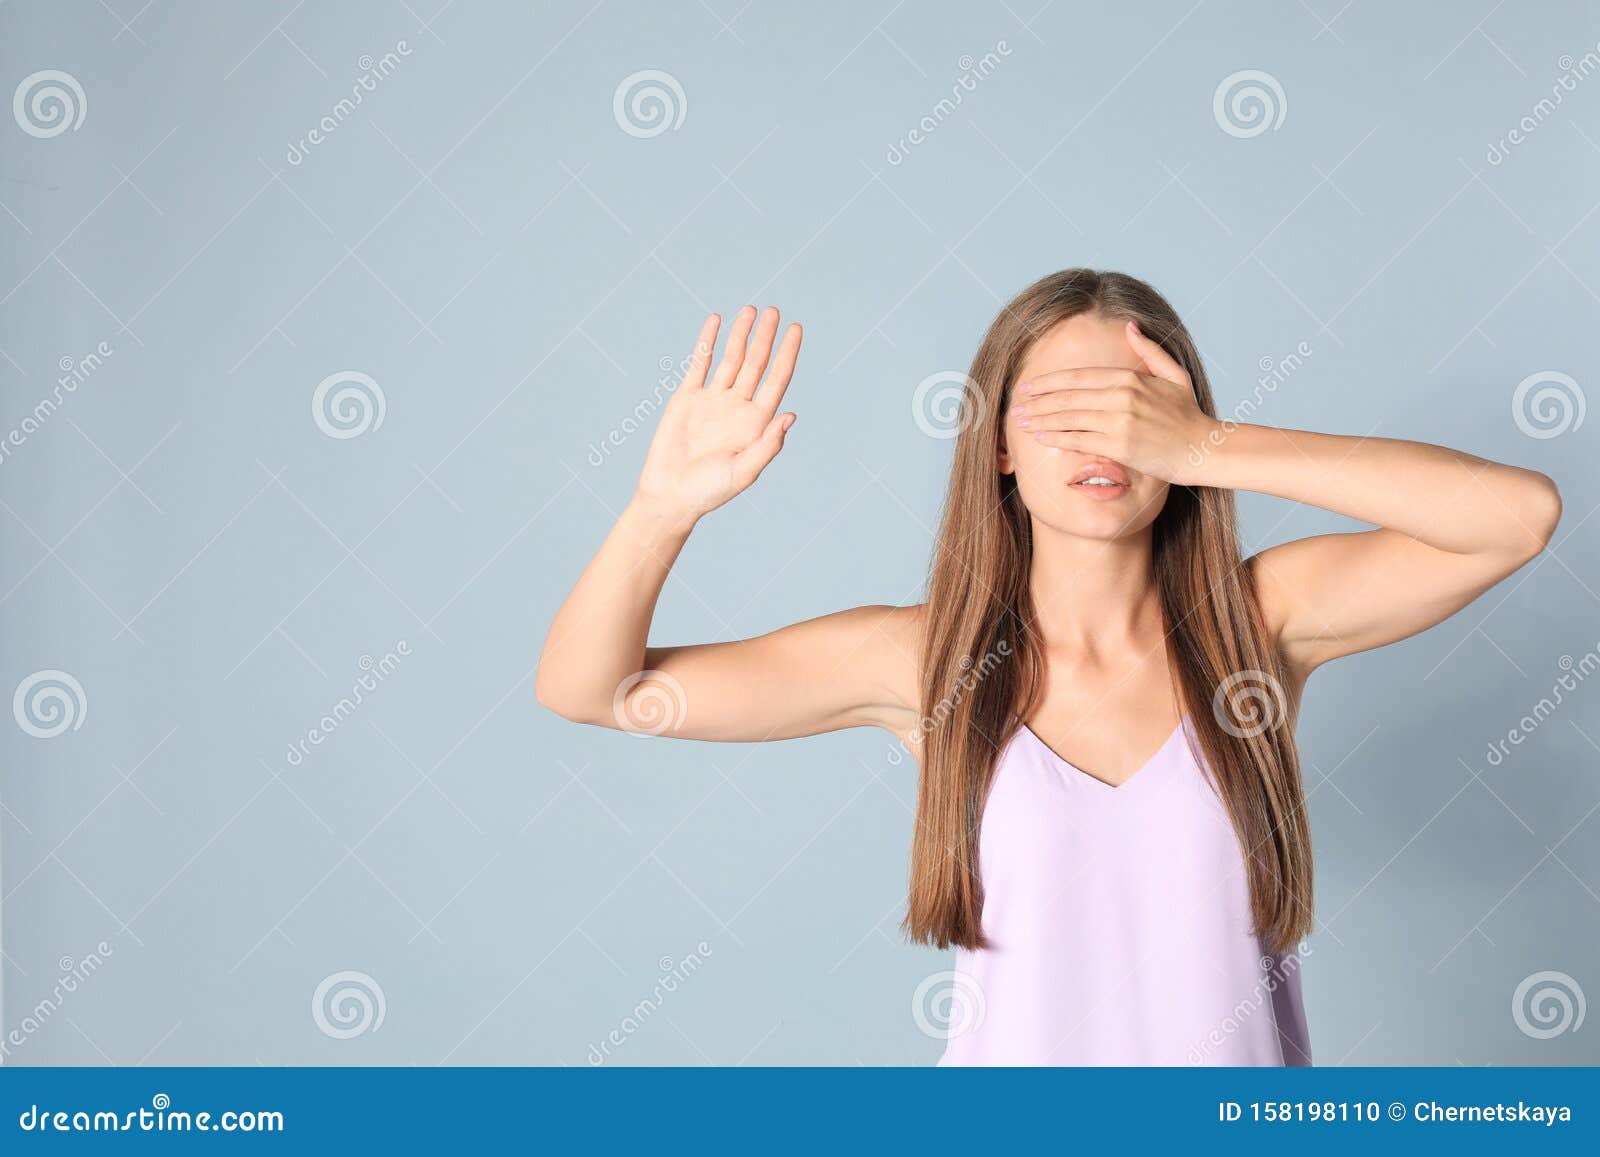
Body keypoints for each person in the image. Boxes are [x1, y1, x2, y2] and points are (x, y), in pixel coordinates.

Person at [536, 269, 1561, 1065]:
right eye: (1060, 407)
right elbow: (593, 687)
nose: (1100, 435)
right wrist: (661, 506)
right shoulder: (919, 658)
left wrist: (1211, 446)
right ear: (998, 449)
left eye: (1134, 406)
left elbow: (1516, 518)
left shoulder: (1260, 623)